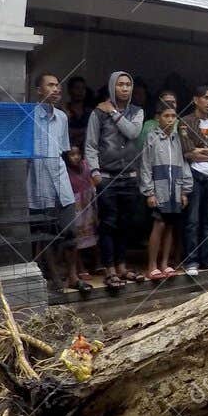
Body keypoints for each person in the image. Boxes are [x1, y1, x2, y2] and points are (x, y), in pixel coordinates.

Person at [84, 70, 144, 289]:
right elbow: (90, 145)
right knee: (108, 224)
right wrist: (95, 173)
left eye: (128, 84)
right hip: (107, 178)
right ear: (112, 87)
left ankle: (122, 266)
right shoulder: (98, 113)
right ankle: (109, 269)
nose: (125, 88)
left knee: (125, 224)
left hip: (129, 177)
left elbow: (133, 133)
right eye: (120, 84)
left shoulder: (137, 112)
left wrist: (114, 114)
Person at [28, 72, 79, 292]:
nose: (56, 89)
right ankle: (52, 277)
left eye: (58, 85)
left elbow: (63, 150)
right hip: (38, 179)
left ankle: (70, 275)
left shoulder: (62, 117)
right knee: (44, 233)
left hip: (60, 177)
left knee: (70, 230)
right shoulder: (28, 115)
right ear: (39, 90)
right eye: (50, 85)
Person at [140, 101, 191, 279]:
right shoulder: (152, 137)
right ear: (158, 118)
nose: (170, 120)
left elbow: (184, 164)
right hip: (159, 187)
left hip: (175, 187)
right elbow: (145, 165)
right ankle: (152, 265)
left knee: (170, 225)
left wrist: (185, 190)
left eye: (173, 116)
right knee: (159, 224)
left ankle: (165, 263)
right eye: (166, 116)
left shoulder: (177, 138)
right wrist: (149, 192)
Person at [180, 84, 208, 276]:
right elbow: (187, 151)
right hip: (194, 175)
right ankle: (191, 260)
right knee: (192, 219)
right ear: (195, 99)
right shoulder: (185, 121)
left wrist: (203, 151)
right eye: (206, 98)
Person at [65, 146, 99, 282]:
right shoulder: (65, 171)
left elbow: (92, 185)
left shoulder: (86, 165)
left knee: (94, 234)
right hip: (75, 206)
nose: (76, 157)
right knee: (76, 239)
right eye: (72, 155)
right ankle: (81, 267)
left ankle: (98, 263)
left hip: (88, 204)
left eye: (78, 154)